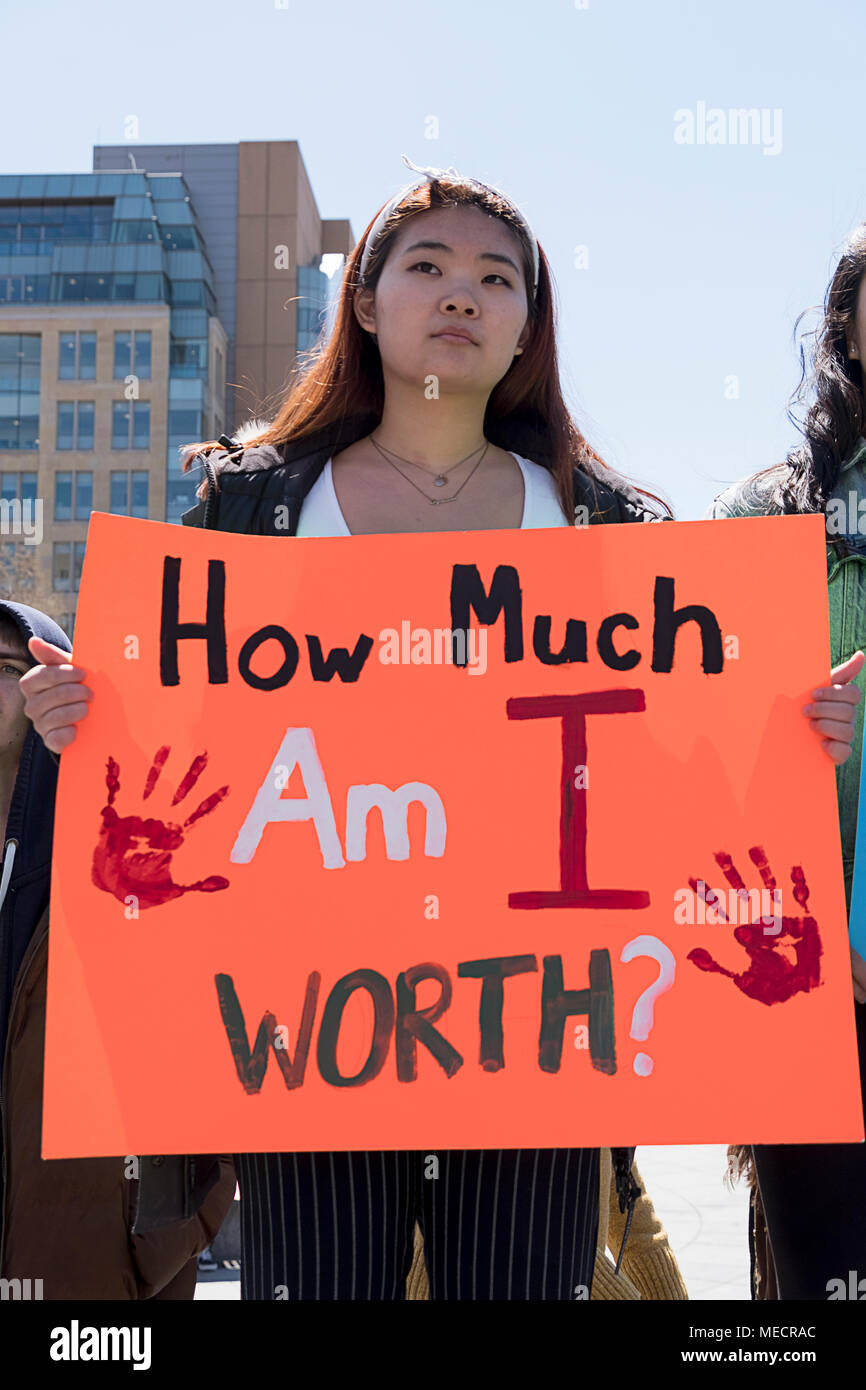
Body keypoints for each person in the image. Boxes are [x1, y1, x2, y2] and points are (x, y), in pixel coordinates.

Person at [21, 157, 861, 1300]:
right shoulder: (252, 507)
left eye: (496, 278)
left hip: (537, 1044)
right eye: (427, 266)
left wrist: (787, 733)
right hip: (302, 1037)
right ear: (363, 305)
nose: (461, 294)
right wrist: (84, 723)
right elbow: (180, 763)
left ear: (527, 327)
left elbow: (675, 765)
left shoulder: (599, 519)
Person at [707, 222, 866, 1300]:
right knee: (822, 1278)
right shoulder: (770, 509)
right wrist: (776, 724)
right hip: (801, 968)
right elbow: (689, 733)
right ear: (845, 320)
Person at [0, 600, 236, 1298]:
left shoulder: (115, 842)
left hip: (93, 1264)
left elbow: (214, 1022)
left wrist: (161, 1236)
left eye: (8, 667)